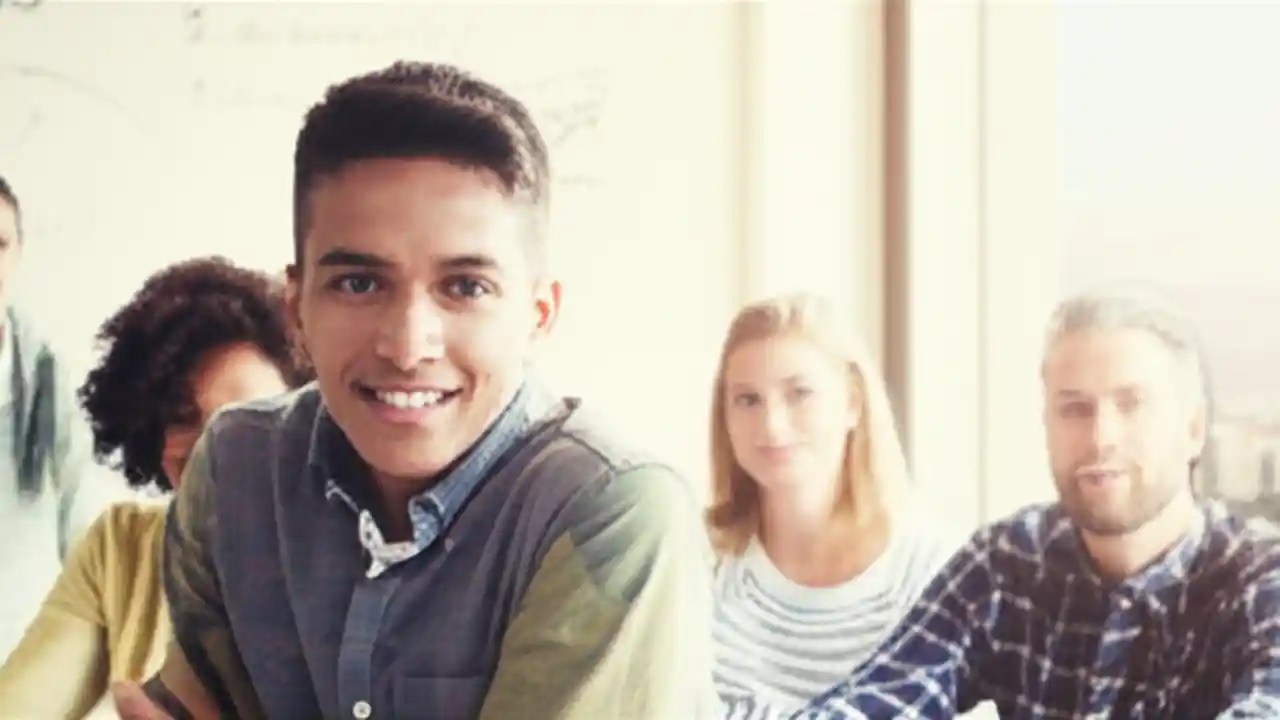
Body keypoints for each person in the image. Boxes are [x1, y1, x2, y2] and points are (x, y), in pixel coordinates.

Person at [113, 61, 716, 720]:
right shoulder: (236, 469)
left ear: (539, 313)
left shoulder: (613, 512)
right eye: (359, 283)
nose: (407, 346)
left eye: (465, 287)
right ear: (296, 308)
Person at [799, 288, 1280, 718]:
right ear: (1046, 425)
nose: (1100, 437)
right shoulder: (1009, 560)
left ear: (1193, 430)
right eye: (1074, 408)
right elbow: (883, 695)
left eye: (1131, 404)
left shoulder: (1259, 581)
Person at [0, 256, 312, 718]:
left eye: (245, 418)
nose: (211, 445)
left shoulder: (367, 563)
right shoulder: (124, 549)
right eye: (183, 418)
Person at [707, 293, 952, 719]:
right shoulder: (697, 562)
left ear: (853, 403)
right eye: (748, 400)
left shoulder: (931, 572)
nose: (772, 425)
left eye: (799, 393)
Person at [0, 172, 123, 660]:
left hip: (27, 668)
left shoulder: (50, 379)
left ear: (18, 252)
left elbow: (84, 523)